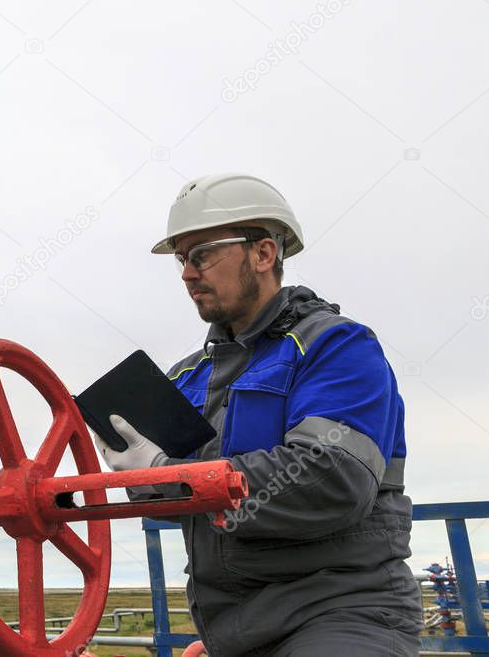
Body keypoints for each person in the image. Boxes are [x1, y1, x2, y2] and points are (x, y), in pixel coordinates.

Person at [96, 173, 422, 656]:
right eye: (183, 259)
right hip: (230, 628)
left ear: (264, 254)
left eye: (202, 254)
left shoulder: (336, 348)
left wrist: (167, 473)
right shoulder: (186, 376)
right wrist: (149, 475)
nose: (187, 273)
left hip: (341, 614)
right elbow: (158, 492)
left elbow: (331, 479)